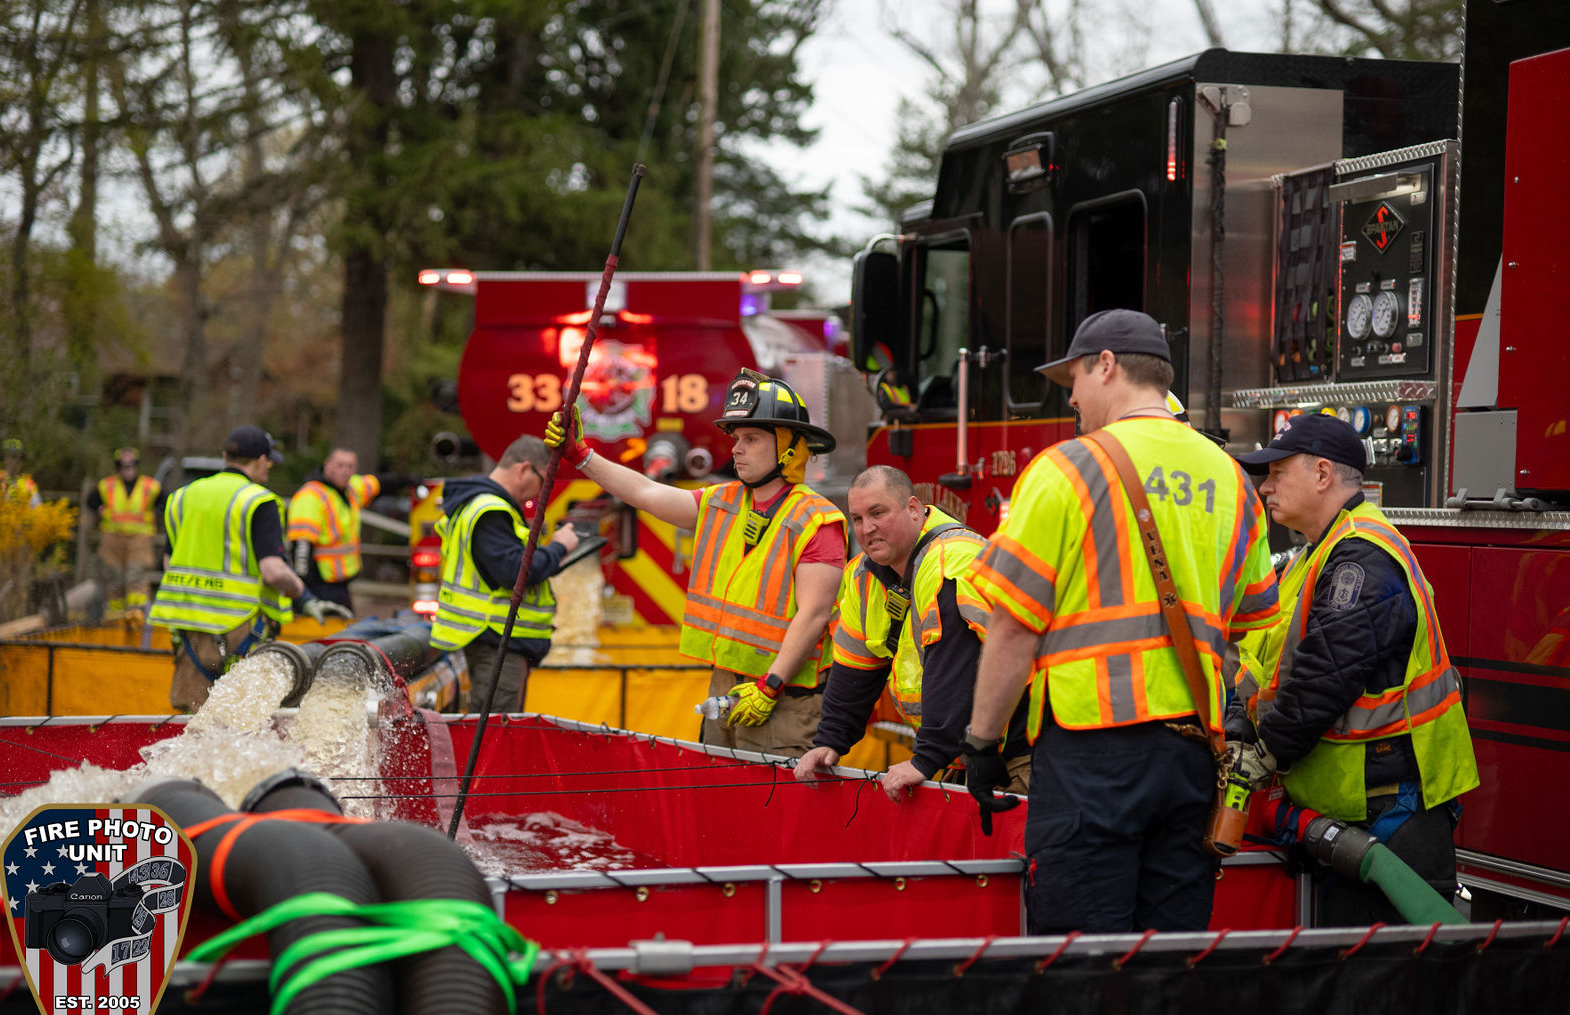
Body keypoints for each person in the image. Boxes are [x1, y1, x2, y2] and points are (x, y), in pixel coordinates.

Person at [959, 308, 1281, 933]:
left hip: (1092, 754)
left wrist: (981, 742)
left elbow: (1013, 626)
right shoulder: (1234, 478)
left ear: (1106, 367)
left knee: (1081, 963)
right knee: (1166, 965)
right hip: (1193, 758)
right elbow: (1249, 618)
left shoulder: (1067, 469)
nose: (1073, 397)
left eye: (1074, 378)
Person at [1230, 412, 1480, 925]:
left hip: (1390, 817)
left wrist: (1265, 751)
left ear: (1322, 474)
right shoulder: (1313, 557)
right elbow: (1261, 661)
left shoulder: (1361, 560)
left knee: (1385, 988)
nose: (1266, 487)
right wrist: (1239, 727)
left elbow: (1321, 682)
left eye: (1278, 473)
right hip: (1351, 816)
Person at [547, 370, 848, 758]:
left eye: (751, 439)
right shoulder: (721, 501)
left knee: (771, 808)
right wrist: (582, 455)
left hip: (783, 698)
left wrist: (769, 685)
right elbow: (644, 491)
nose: (736, 449)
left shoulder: (817, 520)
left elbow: (814, 614)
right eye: (736, 439)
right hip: (725, 691)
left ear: (789, 447)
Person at [794, 465, 1031, 800]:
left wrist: (926, 759)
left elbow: (957, 667)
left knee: (1016, 851)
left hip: (1022, 751)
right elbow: (853, 674)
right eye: (858, 518)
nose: (867, 528)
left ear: (914, 509)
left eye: (878, 513)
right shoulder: (864, 576)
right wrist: (830, 741)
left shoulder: (951, 562)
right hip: (967, 752)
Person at [149, 426, 352, 712]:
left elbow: (170, 562)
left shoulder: (181, 497)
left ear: (225, 456)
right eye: (268, 463)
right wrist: (305, 599)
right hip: (240, 628)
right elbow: (273, 571)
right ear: (260, 460)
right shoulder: (259, 501)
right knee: (241, 716)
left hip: (188, 626)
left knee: (193, 717)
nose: (268, 469)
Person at [429, 436, 578, 712]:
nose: (540, 492)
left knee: (495, 732)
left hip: (494, 641)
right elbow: (515, 572)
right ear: (523, 469)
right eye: (542, 480)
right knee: (496, 734)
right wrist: (559, 547)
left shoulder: (485, 506)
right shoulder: (491, 511)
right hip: (495, 642)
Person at [287, 447, 417, 615]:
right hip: (320, 584)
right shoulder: (311, 497)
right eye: (340, 465)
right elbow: (301, 548)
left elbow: (381, 483)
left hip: (341, 583)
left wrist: (410, 480)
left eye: (350, 466)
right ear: (327, 465)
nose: (345, 471)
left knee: (345, 627)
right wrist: (304, 595)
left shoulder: (351, 489)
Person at [85, 447, 165, 609]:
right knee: (115, 578)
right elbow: (90, 501)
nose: (127, 470)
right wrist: (101, 509)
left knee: (136, 575)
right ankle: (115, 616)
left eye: (130, 466)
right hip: (113, 538)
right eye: (124, 466)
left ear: (136, 466)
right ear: (118, 467)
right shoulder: (107, 485)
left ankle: (137, 614)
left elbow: (165, 501)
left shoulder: (150, 486)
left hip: (139, 538)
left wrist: (156, 512)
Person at [0, 438, 42, 508]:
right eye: (13, 456)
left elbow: (38, 508)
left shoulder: (28, 483)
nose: (17, 461)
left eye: (20, 458)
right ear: (5, 459)